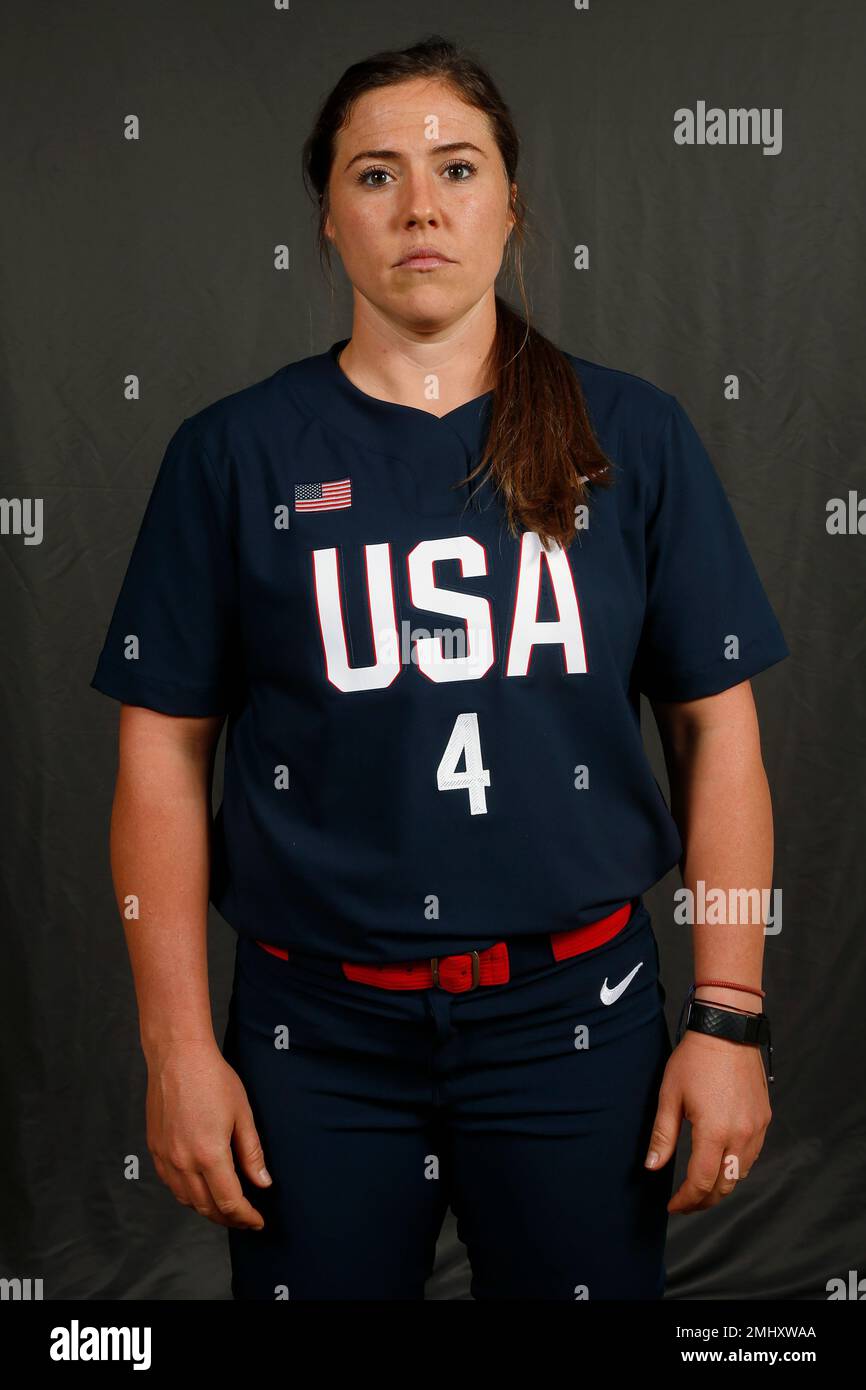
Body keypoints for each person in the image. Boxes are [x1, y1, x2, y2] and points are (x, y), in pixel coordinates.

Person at [90, 34, 788, 1301]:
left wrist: (727, 1015)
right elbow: (160, 754)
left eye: (456, 168)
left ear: (510, 207)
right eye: (375, 175)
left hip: (575, 1017)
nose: (419, 205)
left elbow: (717, 737)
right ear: (328, 218)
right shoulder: (231, 455)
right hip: (316, 1034)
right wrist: (178, 1044)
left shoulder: (627, 433)